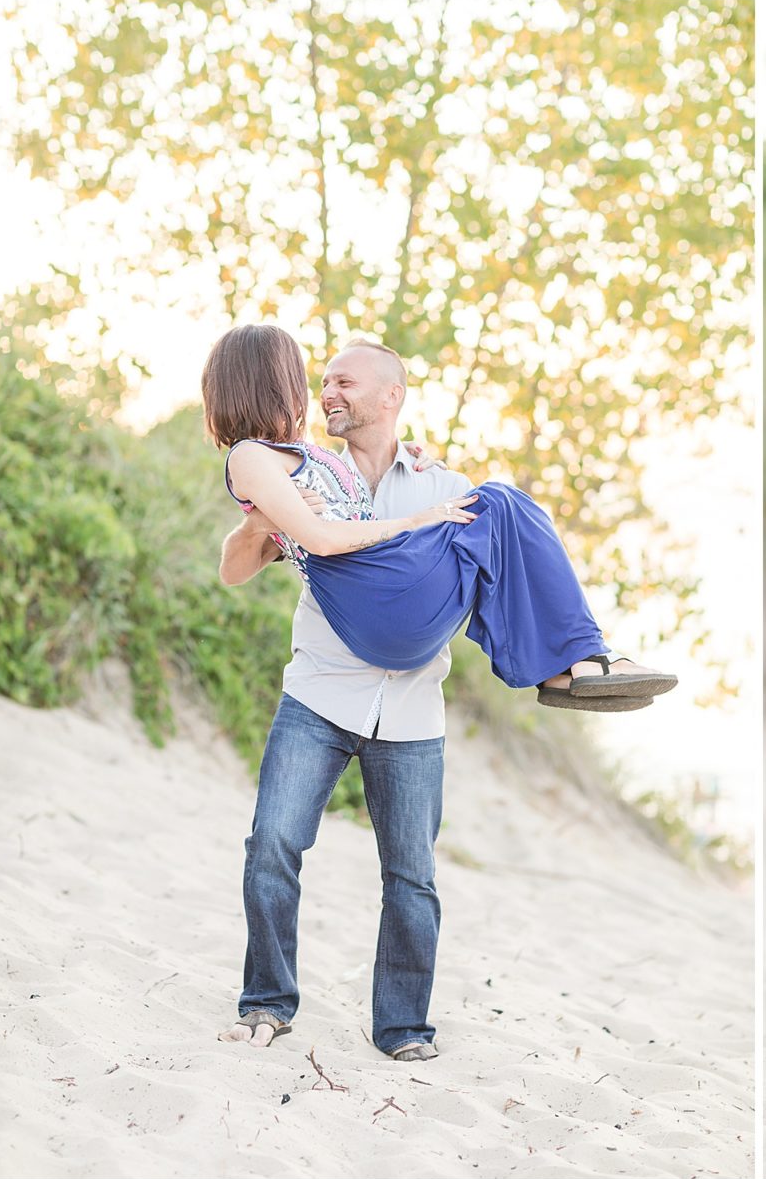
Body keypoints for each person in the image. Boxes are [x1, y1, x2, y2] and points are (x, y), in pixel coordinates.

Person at [211, 326, 674, 1060]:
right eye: (317, 382)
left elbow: (474, 559)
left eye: (343, 383)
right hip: (323, 692)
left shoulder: (438, 482)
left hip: (412, 707)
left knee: (414, 878)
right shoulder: (307, 468)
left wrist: (429, 509)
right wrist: (258, 528)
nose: (325, 393)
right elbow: (242, 564)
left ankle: (401, 1028)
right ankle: (267, 1002)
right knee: (272, 843)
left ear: (392, 398)